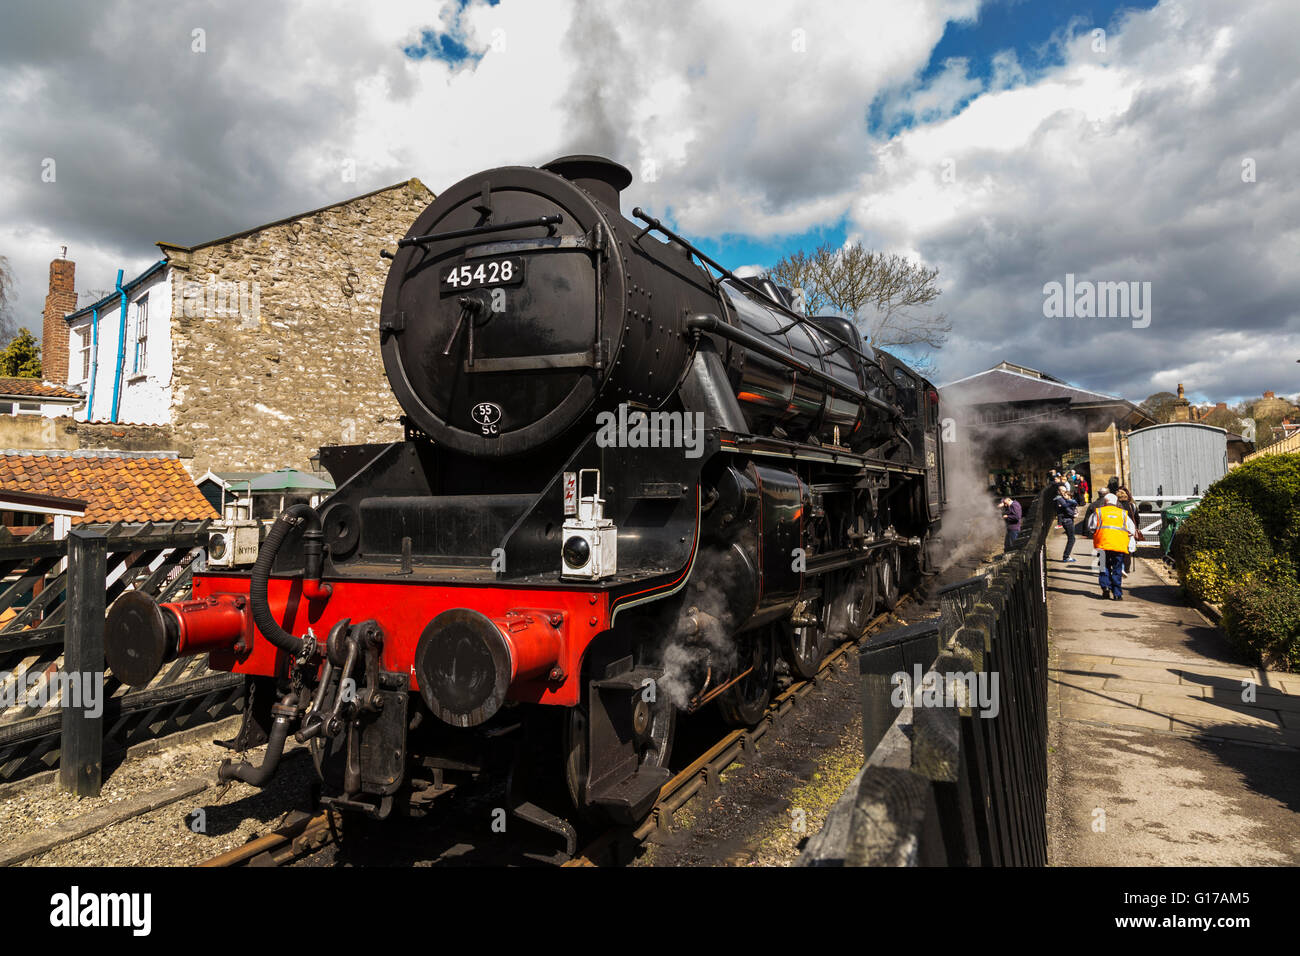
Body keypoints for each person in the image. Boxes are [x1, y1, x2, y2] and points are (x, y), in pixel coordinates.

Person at [1088, 492, 1136, 600]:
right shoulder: (1123, 514)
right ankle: (1117, 594)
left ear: (1105, 502)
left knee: (1103, 566)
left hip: (1102, 544)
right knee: (1117, 569)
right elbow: (1131, 530)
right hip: (1118, 545)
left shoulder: (1099, 512)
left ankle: (1105, 586)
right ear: (1116, 502)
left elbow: (1091, 527)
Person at [1053, 482, 1078, 562]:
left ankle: (1066, 556)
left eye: (1065, 490)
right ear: (1059, 491)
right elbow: (1066, 508)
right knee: (1072, 538)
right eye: (1062, 491)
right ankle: (1066, 556)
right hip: (1067, 520)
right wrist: (1074, 514)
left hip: (1067, 519)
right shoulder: (1060, 499)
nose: (1064, 492)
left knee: (1071, 538)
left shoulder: (1061, 498)